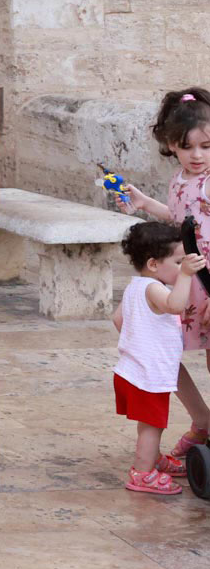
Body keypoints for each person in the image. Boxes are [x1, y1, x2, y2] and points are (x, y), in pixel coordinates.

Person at [107, 88, 210, 467]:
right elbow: (180, 216)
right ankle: (202, 419)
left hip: (208, 284)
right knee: (163, 351)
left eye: (206, 146)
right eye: (187, 147)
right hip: (185, 283)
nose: (197, 156)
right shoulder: (181, 179)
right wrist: (144, 203)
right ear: (171, 145)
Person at [112, 222, 204, 494]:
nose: (181, 267)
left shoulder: (136, 286)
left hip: (133, 369)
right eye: (177, 262)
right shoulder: (155, 289)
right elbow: (175, 305)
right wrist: (187, 275)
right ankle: (142, 473)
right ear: (153, 264)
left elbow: (118, 319)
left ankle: (152, 458)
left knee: (149, 423)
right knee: (152, 426)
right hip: (148, 374)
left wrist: (141, 341)